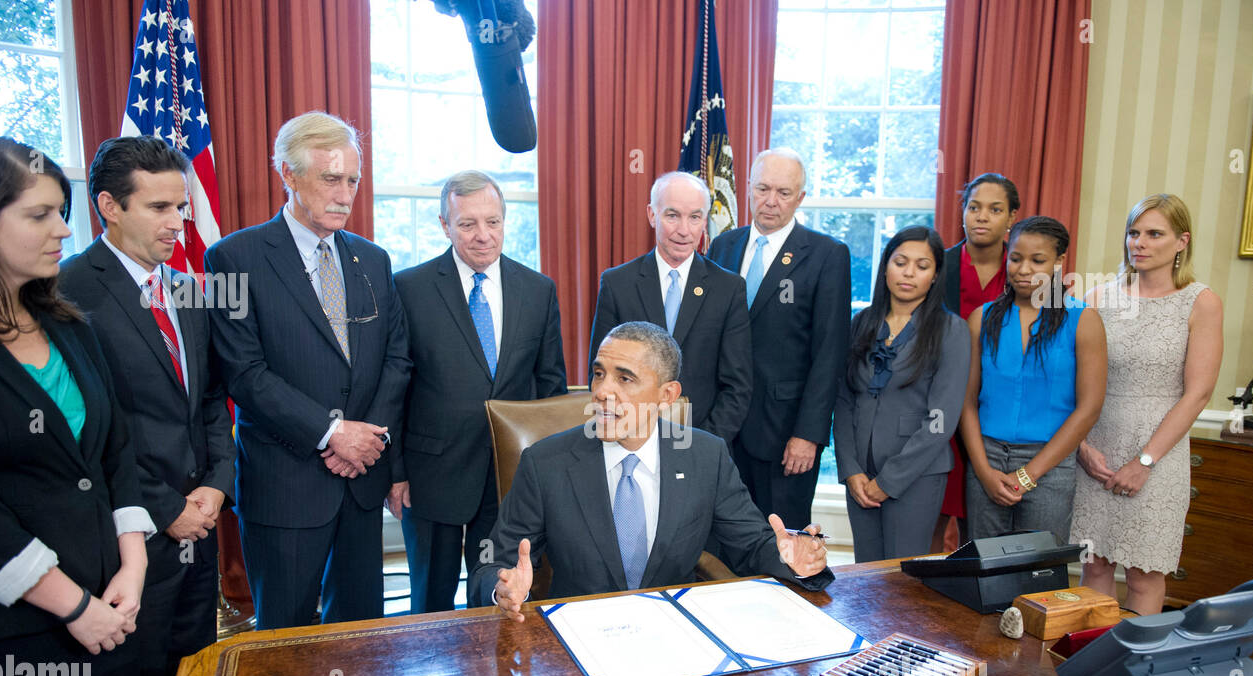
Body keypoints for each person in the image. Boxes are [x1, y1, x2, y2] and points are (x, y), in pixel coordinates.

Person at [59, 135, 235, 676]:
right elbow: (98, 432)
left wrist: (217, 488)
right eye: (159, 207)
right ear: (108, 206)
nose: (178, 222)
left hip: (201, 522)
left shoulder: (188, 287)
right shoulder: (70, 293)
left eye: (183, 207)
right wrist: (168, 511)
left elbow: (211, 402)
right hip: (129, 542)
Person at [0, 135, 152, 676]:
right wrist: (73, 606)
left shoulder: (65, 323)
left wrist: (132, 565)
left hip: (102, 600)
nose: (64, 229)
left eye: (63, 213)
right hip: (18, 622)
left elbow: (113, 451)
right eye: (42, 215)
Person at [472, 322, 832, 618]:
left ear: (667, 395)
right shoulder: (545, 462)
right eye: (599, 374)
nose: (601, 392)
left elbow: (752, 545)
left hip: (674, 631)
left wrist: (792, 558)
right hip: (577, 633)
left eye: (624, 379)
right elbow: (494, 563)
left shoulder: (706, 456)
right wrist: (500, 588)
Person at [206, 112, 410, 630]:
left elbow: (396, 359)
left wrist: (365, 441)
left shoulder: (374, 259)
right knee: (284, 641)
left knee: (360, 635)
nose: (345, 195)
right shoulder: (229, 259)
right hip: (286, 487)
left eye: (353, 181)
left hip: (361, 481)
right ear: (288, 175)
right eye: (330, 179)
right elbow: (244, 373)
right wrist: (332, 434)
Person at [390, 170, 566, 612]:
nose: (483, 236)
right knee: (429, 601)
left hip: (512, 477)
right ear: (444, 225)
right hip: (431, 475)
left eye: (493, 222)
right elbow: (393, 386)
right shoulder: (408, 288)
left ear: (506, 221)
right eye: (467, 224)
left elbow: (552, 388)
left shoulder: (538, 290)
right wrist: (394, 471)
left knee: (498, 597)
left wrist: (552, 472)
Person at [1071, 194, 1223, 615]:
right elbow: (1075, 382)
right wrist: (1081, 448)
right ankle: (1089, 667)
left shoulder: (1200, 301)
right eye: (1134, 233)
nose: (1140, 242)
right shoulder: (1099, 298)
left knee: (1143, 574)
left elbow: (1198, 394)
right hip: (1097, 445)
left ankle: (1132, 673)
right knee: (1094, 562)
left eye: (1155, 233)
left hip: (1160, 452)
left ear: (1181, 242)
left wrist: (1145, 461)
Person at [706, 149, 850, 530]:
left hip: (785, 434)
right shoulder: (723, 246)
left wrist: (808, 434)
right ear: (749, 190)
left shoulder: (827, 255)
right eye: (763, 188)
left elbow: (830, 353)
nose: (771, 201)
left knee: (781, 541)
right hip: (722, 428)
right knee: (720, 538)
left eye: (784, 192)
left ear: (800, 198)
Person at [959, 216, 1107, 544]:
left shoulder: (1083, 320)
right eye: (1015, 258)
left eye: (1037, 260)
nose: (1024, 269)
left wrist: (1029, 474)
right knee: (982, 572)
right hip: (987, 459)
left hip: (1050, 465)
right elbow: (966, 402)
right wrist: (982, 470)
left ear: (1058, 262)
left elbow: (1089, 408)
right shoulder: (981, 319)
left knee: (1039, 579)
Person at [833, 227, 970, 561]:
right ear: (885, 266)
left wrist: (889, 481)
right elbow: (845, 401)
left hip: (917, 476)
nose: (909, 273)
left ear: (936, 275)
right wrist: (851, 470)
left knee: (901, 581)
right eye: (900, 262)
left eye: (922, 266)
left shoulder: (951, 330)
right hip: (860, 476)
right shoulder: (862, 321)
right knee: (865, 574)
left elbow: (942, 419)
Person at [588, 171, 751, 445]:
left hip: (702, 442)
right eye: (672, 215)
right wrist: (628, 436)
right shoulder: (618, 283)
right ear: (652, 215)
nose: (684, 230)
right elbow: (602, 374)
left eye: (695, 217)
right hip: (629, 440)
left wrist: (701, 446)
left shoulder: (729, 288)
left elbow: (737, 387)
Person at [938, 173, 1021, 550]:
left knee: (984, 541)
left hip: (998, 423)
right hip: (936, 416)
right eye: (974, 207)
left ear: (1011, 218)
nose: (982, 217)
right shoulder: (935, 265)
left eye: (995, 209)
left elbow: (1056, 340)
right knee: (926, 530)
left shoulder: (1032, 271)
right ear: (963, 213)